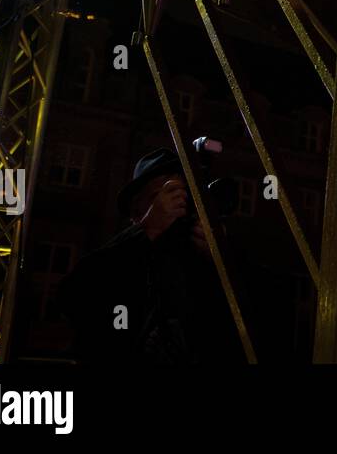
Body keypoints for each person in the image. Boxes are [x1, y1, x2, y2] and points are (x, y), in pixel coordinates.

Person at [57, 148, 243, 362]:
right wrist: (149, 229)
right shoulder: (121, 257)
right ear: (137, 212)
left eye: (182, 198)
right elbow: (72, 296)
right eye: (160, 197)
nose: (174, 206)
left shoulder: (195, 259)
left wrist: (220, 263)